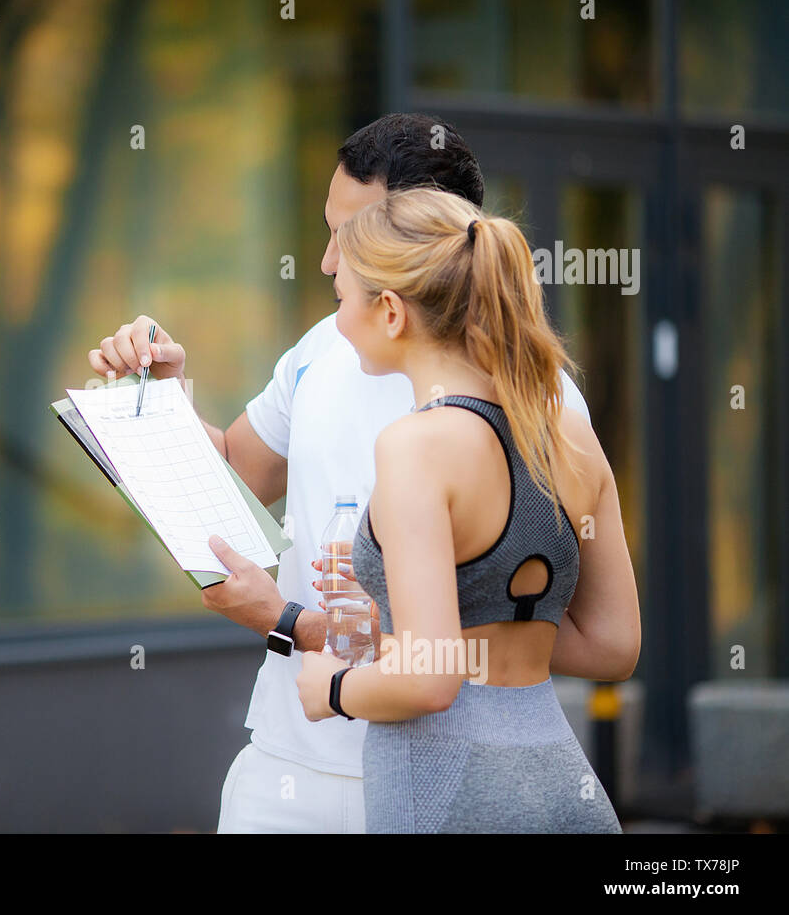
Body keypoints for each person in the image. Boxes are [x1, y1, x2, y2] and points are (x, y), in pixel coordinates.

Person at [87, 114, 597, 833]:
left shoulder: (539, 401)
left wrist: (295, 621)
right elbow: (236, 473)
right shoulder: (324, 346)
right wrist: (156, 396)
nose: (329, 262)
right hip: (286, 763)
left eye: (350, 236)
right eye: (329, 232)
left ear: (426, 236)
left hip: (429, 774)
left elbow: (511, 633)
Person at [293, 187, 641, 831]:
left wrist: (330, 691)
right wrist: (429, 627)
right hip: (566, 790)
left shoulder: (415, 445)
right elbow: (613, 647)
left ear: (391, 312)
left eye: (343, 301)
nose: (338, 321)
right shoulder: (568, 432)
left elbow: (430, 681)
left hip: (449, 791)